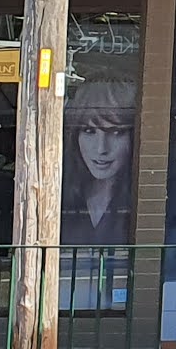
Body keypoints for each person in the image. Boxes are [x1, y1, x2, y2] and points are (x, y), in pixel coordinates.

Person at [63, 79, 136, 245]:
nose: (101, 148)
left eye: (116, 132)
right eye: (89, 131)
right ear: (76, 136)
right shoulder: (61, 192)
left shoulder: (135, 199)